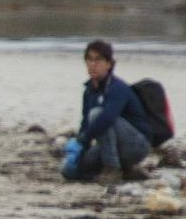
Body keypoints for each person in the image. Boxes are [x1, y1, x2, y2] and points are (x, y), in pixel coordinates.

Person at [62, 40, 154, 184]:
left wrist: (83, 139)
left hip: (137, 145)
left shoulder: (118, 88)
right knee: (71, 170)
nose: (93, 64)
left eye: (98, 60)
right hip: (110, 146)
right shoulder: (89, 91)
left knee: (98, 115)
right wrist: (80, 148)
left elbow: (107, 118)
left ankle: (113, 169)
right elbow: (85, 124)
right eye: (89, 59)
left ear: (109, 64)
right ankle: (127, 171)